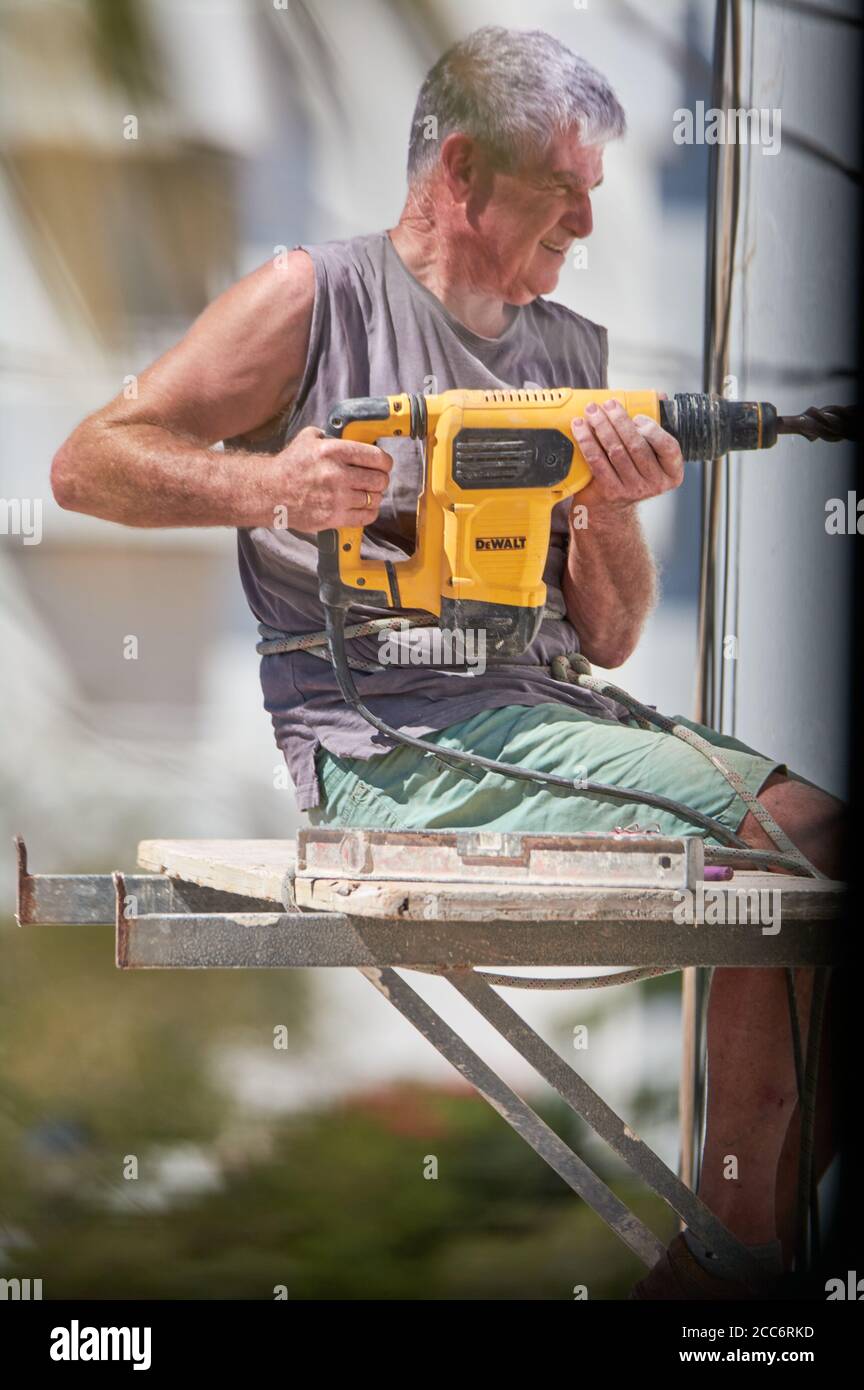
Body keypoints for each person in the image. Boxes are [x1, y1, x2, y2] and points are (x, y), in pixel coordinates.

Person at [51, 26, 842, 1298]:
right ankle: (728, 1272)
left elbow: (611, 638)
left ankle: (736, 1261)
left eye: (596, 192)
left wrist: (611, 509)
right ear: (462, 168)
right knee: (795, 836)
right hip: (390, 749)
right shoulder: (317, 298)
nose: (587, 220)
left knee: (822, 841)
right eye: (565, 187)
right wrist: (277, 482)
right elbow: (87, 460)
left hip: (543, 716)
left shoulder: (566, 355)